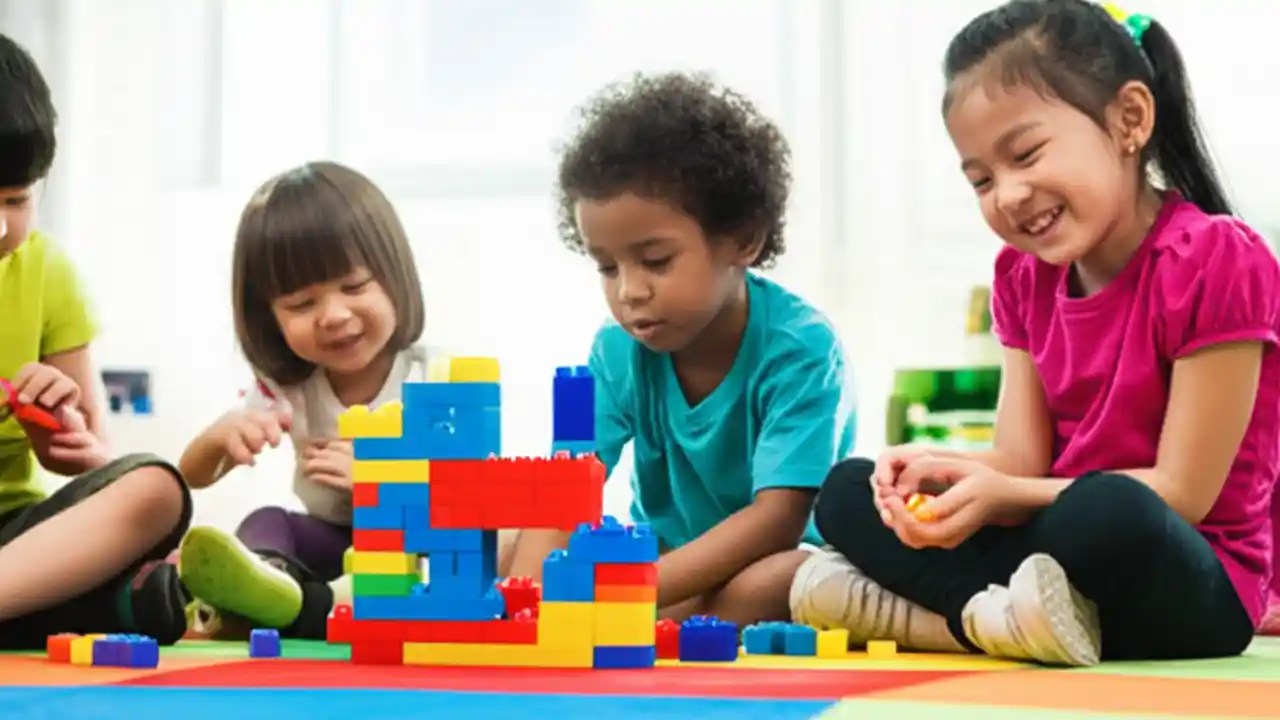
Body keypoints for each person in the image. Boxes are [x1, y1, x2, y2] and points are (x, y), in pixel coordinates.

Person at [791, 0, 1279, 667]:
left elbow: (1182, 493)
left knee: (1108, 509)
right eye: (981, 180)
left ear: (1129, 120)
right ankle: (988, 616)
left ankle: (942, 617)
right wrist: (942, 474)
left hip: (1185, 571)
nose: (1009, 195)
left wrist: (1007, 494)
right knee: (848, 490)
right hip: (1053, 549)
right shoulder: (1022, 277)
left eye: (1026, 155)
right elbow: (1020, 460)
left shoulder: (1217, 259)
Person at [507, 72, 857, 627]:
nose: (629, 291)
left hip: (769, 558)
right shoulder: (616, 349)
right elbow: (565, 485)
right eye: (607, 267)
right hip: (666, 558)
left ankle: (652, 612)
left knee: (773, 583)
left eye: (656, 261)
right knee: (510, 547)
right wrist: (525, 605)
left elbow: (777, 518)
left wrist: (627, 592)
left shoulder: (800, 349)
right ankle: (658, 612)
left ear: (743, 239)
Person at [177, 161, 444, 638]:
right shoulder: (292, 387)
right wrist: (221, 438)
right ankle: (273, 591)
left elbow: (463, 501)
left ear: (394, 276)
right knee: (267, 522)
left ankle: (303, 608)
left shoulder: (431, 379)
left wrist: (378, 483)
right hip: (327, 546)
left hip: (411, 550)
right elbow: (192, 477)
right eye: (302, 304)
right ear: (269, 318)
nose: (334, 315)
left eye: (354, 286)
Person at [0, 32, 191, 648]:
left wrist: (61, 431)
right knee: (139, 593)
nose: (1, 227)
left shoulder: (47, 271)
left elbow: (92, 460)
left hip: (15, 546)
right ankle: (106, 603)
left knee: (156, 488)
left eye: (16, 200)